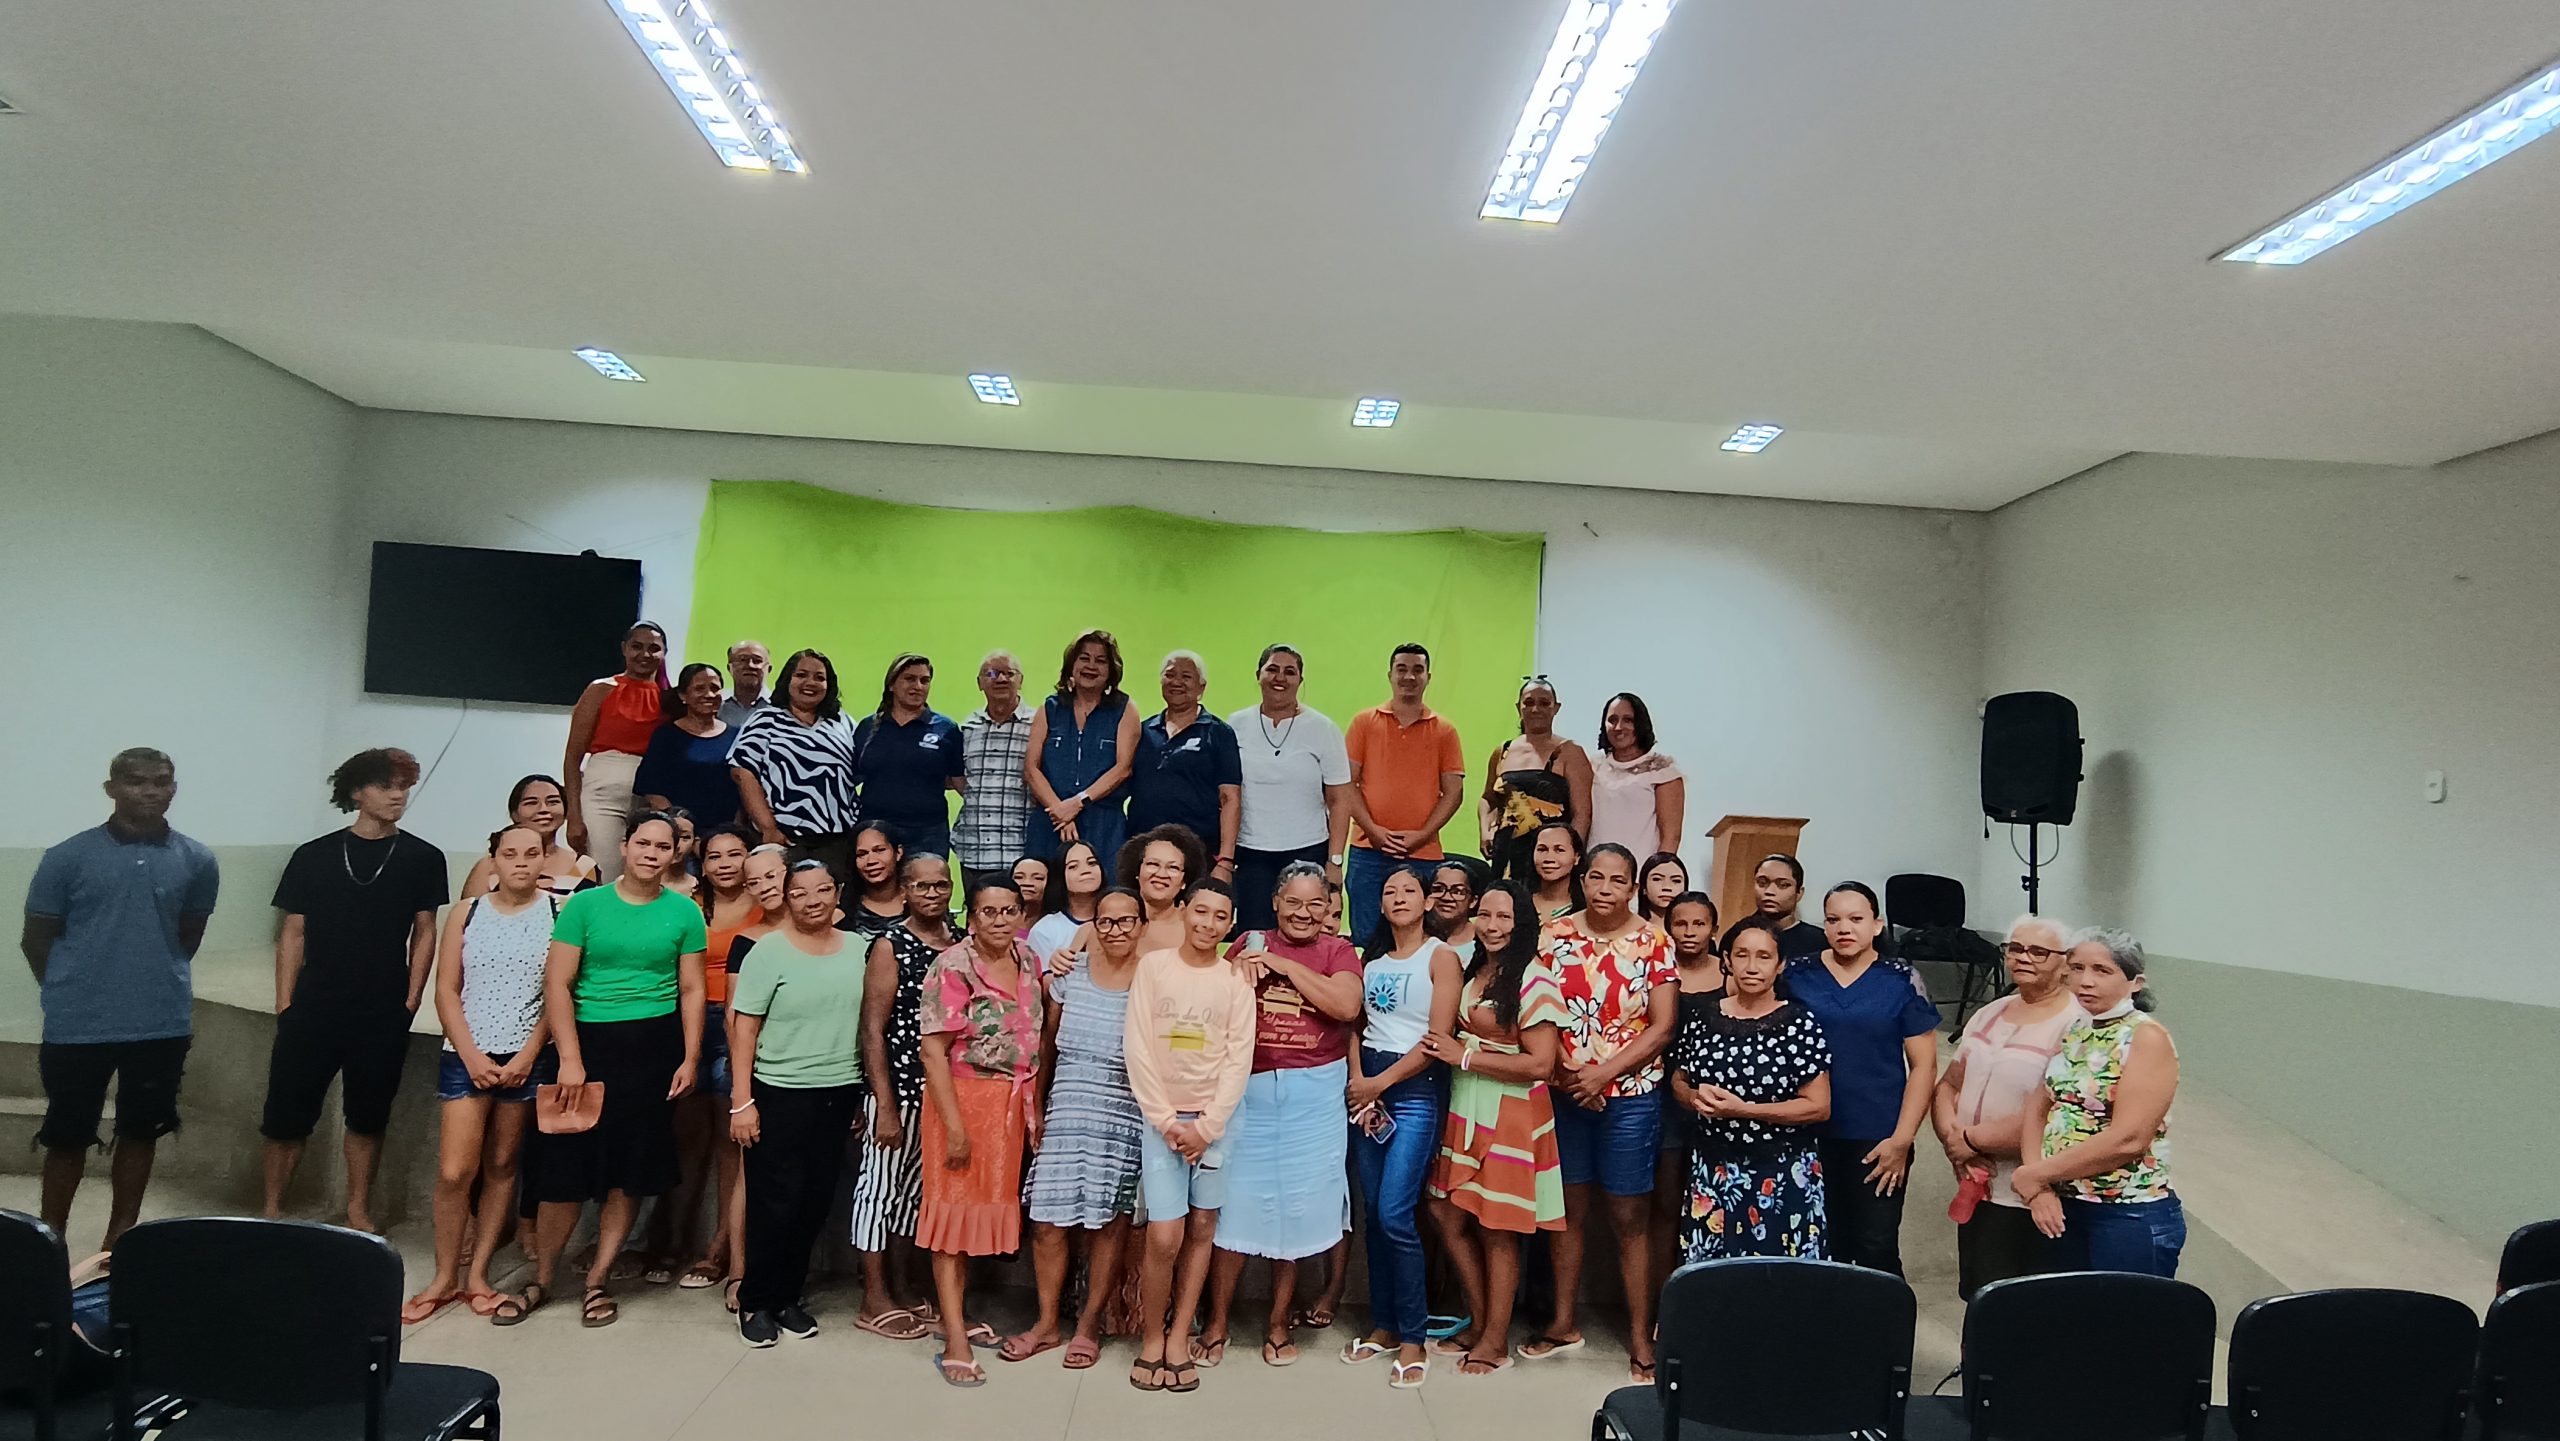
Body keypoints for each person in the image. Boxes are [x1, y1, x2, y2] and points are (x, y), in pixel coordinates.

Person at [22, 748, 217, 1249]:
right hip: (78, 1023)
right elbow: (36, 938)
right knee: (66, 1134)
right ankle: (51, 1238)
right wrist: (71, 988)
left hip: (159, 1022)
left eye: (162, 781)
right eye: (137, 782)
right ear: (111, 789)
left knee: (142, 1129)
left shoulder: (197, 860)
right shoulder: (67, 857)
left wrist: (149, 974)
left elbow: (187, 936)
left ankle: (119, 1240)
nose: (151, 791)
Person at [519, 811, 708, 1329]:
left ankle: (598, 1279)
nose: (651, 853)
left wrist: (690, 1058)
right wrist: (572, 1059)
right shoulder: (585, 905)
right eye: (642, 842)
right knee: (563, 1171)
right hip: (586, 1045)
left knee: (628, 1173)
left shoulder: (686, 913)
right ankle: (540, 1278)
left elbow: (692, 990)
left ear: (675, 855)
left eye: (662, 846)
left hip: (652, 1049)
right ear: (624, 847)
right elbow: (557, 983)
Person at [260, 748, 447, 1233]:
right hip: (315, 1002)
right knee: (287, 1112)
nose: (398, 796)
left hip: (382, 1004)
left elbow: (425, 930)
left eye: (404, 786)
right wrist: (285, 1001)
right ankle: (272, 1208)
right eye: (386, 786)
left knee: (368, 1114)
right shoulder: (314, 855)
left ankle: (357, 1207)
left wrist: (410, 998)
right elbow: (293, 931)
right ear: (357, 792)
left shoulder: (423, 857)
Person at [1200, 862, 1362, 1367]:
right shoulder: (1246, 940)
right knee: (1235, 1207)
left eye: (1316, 903)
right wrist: (1241, 975)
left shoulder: (1339, 950)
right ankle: (1218, 1322)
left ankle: (1276, 1323)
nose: (1304, 913)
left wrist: (1285, 966)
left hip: (1314, 1094)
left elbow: (1345, 1006)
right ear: (1275, 902)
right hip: (1246, 1089)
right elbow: (1214, 1006)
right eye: (1294, 902)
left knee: (1296, 1213)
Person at [1531, 843, 1675, 1377]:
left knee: (1628, 1217)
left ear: (1633, 888)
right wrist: (1571, 1075)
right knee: (1567, 1213)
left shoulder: (1653, 941)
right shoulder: (1555, 935)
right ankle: (1562, 1324)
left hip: (1631, 1097)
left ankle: (1641, 1338)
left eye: (1618, 880)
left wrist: (1602, 1074)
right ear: (1582, 881)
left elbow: (1662, 1025)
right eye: (1596, 877)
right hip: (1566, 1092)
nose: (1605, 889)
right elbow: (1538, 1009)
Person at [406, 825, 554, 1323]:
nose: (520, 863)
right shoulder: (466, 913)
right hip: (466, 1056)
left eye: (531, 854)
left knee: (503, 1166)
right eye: (510, 854)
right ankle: (445, 1275)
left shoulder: (559, 913)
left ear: (542, 860)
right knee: (454, 1171)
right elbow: (446, 989)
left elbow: (560, 994)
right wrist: (470, 1056)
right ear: (493, 860)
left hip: (524, 1060)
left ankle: (478, 1274)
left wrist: (528, 1056)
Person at [1420, 879, 1567, 1376]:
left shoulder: (1535, 978)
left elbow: (1541, 1064)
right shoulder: (1473, 969)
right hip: (1468, 1105)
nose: (1493, 925)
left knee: (1498, 1229)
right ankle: (1482, 1320)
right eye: (1486, 915)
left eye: (1504, 917)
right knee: (1446, 1212)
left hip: (1512, 1111)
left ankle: (1495, 1340)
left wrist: (1465, 1054)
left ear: (1522, 922)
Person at [1123, 880, 1258, 1393]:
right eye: (1199, 911)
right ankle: (1151, 1337)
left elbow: (1237, 1058)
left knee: (1203, 1227)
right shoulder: (1154, 969)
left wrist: (1207, 1127)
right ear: (1184, 912)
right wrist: (1165, 1120)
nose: (1207, 923)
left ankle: (1180, 1337)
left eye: (1219, 916)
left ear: (1230, 924)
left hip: (1216, 1125)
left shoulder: (1235, 982)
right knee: (1164, 1235)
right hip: (1163, 1121)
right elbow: (1137, 1046)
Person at [728, 860, 869, 1346]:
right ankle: (755, 1301)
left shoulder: (859, 949)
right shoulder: (767, 952)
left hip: (838, 1092)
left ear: (839, 893)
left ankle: (788, 1296)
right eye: (801, 892)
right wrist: (741, 1102)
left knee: (813, 1202)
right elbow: (743, 1026)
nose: (813, 900)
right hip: (777, 1091)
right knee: (774, 1203)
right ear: (786, 898)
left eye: (823, 889)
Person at [1008, 886, 1147, 1370]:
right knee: (1047, 1221)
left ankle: (1088, 1327)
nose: (1115, 931)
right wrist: (1038, 1104)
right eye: (1105, 921)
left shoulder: (1152, 981)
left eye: (1126, 921)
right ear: (1093, 926)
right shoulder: (1070, 975)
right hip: (1067, 1104)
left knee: (1108, 1224)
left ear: (1142, 927)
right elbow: (1048, 1041)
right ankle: (1047, 1323)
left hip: (1122, 1113)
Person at [916, 878, 1048, 1386]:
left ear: (1020, 913)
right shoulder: (953, 965)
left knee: (978, 1216)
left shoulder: (1029, 960)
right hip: (963, 1102)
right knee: (949, 1222)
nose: (998, 919)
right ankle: (953, 1338)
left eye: (1008, 909)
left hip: (1011, 1108)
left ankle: (962, 1317)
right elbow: (934, 1051)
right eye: (988, 911)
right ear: (970, 916)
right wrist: (953, 1126)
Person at [1341, 868, 1462, 1388]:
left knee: (1396, 1211)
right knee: (1372, 1212)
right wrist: (1358, 1080)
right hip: (1369, 1086)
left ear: (1426, 900)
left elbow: (1437, 1039)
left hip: (1412, 1089)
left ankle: (1414, 1336)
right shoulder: (1372, 961)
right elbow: (1355, 1025)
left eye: (1408, 890)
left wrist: (1381, 1083)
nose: (1397, 898)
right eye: (1389, 892)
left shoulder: (1441, 956)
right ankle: (1385, 1325)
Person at [1782, 881, 1940, 1276]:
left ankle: (1882, 1336)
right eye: (1833, 920)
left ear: (1876, 925)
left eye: (1856, 918)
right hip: (1806, 1131)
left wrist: (1902, 1140)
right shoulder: (1798, 974)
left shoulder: (1900, 978)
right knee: (1816, 1243)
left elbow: (1924, 1066)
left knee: (1875, 1246)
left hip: (1878, 1137)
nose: (1843, 928)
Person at [2013, 928, 2184, 1277]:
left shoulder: (2145, 1037)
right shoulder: (2078, 1028)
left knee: (2122, 1324)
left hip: (2124, 1212)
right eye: (2076, 968)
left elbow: (2129, 1138)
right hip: (2064, 1204)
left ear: (2135, 982)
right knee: (2068, 1320)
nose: (2085, 981)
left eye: (2101, 971)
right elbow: (2038, 1106)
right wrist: (2039, 1189)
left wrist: (2035, 1175)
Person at [1932, 914, 2084, 1299]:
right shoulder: (1990, 1012)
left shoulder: (2077, 1025)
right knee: (1980, 1289)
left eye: (2039, 951)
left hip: (2032, 1190)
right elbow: (1949, 1085)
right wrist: (1954, 1142)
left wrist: (1971, 1139)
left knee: (2023, 1299)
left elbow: (2059, 1115)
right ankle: (1976, 1362)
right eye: (2015, 948)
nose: (2023, 958)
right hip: (1976, 1180)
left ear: (2065, 963)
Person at [1667, 915, 1832, 1261]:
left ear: (1780, 964)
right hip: (1714, 1170)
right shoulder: (1703, 1017)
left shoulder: (1799, 1023)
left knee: (1778, 1278)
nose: (1752, 966)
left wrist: (1743, 1110)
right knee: (1714, 1278)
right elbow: (1679, 1080)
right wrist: (1694, 1097)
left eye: (1764, 956)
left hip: (1782, 1170)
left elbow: (1818, 1106)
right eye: (1742, 955)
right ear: (1727, 961)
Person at [645, 823, 762, 1300]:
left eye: (736, 855)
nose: (726, 864)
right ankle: (669, 1241)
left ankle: (719, 1249)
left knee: (728, 1144)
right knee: (686, 1139)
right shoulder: (689, 907)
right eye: (715, 856)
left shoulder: (765, 905)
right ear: (702, 862)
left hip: (742, 1025)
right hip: (691, 1023)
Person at [848, 853, 956, 1340]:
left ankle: (905, 1286)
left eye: (940, 885)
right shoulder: (891, 944)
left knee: (915, 1197)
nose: (932, 894)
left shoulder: (960, 942)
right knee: (878, 1192)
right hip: (899, 1092)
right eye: (922, 886)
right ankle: (873, 1297)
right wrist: (883, 1104)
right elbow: (872, 1027)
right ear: (905, 890)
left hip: (944, 1095)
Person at [1343, 643, 1466, 945]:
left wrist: (1422, 835)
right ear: (1390, 674)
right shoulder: (1363, 722)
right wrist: (1373, 831)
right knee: (1367, 940)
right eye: (1402, 669)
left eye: (1417, 670)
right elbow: (1346, 784)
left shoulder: (1444, 730)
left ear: (1428, 677)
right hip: (1367, 850)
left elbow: (1453, 792)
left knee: (1423, 941)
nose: (1409, 677)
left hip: (1423, 854)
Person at [1227, 643, 1353, 935]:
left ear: (1300, 680)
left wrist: (1335, 861)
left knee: (1304, 933)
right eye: (1272, 669)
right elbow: (1225, 794)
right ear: (1258, 675)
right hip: (1251, 852)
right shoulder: (1234, 725)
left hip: (1308, 849)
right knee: (1254, 936)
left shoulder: (1323, 729)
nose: (1280, 678)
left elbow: (1339, 800)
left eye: (1289, 672)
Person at [1646, 890, 1724, 1300]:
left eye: (1699, 923)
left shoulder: (1732, 974)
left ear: (1714, 927)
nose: (1690, 932)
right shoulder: (1656, 969)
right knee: (1667, 1204)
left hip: (1721, 1105)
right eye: (1680, 923)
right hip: (1663, 1097)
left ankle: (1706, 1298)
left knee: (1713, 1205)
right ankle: (1664, 1301)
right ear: (1667, 927)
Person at [729, 648, 862, 879]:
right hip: (786, 838)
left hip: (839, 840)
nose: (810, 682)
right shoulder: (765, 719)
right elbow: (742, 773)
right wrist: (769, 828)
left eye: (820, 677)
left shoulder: (842, 722)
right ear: (787, 679)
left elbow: (858, 771)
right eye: (801, 675)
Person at [563, 622, 672, 881]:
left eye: (654, 648)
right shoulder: (601, 689)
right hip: (602, 796)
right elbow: (572, 757)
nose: (645, 654)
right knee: (602, 874)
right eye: (637, 646)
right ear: (624, 649)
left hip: (649, 798)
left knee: (645, 878)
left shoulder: (669, 698)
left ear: (664, 653)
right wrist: (574, 816)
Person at [1023, 629, 1141, 865]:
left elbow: (1123, 768)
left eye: (1100, 661)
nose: (1091, 666)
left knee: (1104, 895)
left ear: (1111, 671)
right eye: (1084, 658)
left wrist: (1077, 803)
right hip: (1051, 820)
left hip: (1103, 824)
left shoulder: (1125, 709)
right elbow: (1031, 769)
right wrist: (1061, 812)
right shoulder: (1050, 708)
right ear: (1072, 665)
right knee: (1045, 894)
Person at [1125, 651, 1243, 882]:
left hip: (1198, 854)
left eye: (1186, 676)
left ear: (1201, 687)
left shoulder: (1219, 733)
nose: (1176, 682)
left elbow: (1230, 798)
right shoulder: (1142, 731)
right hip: (1143, 854)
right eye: (1170, 675)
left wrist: (1226, 861)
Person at [853, 653, 968, 864]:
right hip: (876, 833)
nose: (918, 686)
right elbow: (852, 778)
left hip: (927, 833)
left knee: (926, 893)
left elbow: (958, 782)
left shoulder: (946, 729)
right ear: (891, 685)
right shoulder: (867, 728)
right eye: (909, 679)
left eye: (924, 680)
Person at [1479, 676, 1592, 885]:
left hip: (1550, 861)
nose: (1535, 709)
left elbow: (1582, 813)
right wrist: (1485, 831)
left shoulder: (1570, 753)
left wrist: (1569, 857)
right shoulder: (1503, 751)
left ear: (1556, 708)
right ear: (1518, 707)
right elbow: (1488, 798)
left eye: (1544, 703)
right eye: (1529, 702)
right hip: (1507, 858)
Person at [954, 649, 1037, 897]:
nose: (1000, 679)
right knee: (977, 921)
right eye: (991, 673)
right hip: (973, 848)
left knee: (1020, 923)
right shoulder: (966, 728)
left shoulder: (1039, 725)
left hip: (1021, 850)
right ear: (979, 683)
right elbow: (956, 777)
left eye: (1008, 673)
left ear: (1020, 680)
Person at [635, 662, 742, 828]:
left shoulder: (737, 736)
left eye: (715, 688)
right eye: (699, 689)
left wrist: (733, 830)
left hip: (726, 835)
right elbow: (652, 790)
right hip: (678, 832)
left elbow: (744, 789)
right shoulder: (666, 736)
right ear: (683, 695)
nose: (709, 694)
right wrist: (680, 828)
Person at [460, 775, 599, 898]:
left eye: (553, 802)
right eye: (531, 803)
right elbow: (468, 918)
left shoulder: (584, 866)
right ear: (515, 814)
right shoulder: (490, 866)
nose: (544, 809)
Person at [1589, 694, 1684, 860]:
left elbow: (1671, 837)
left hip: (1640, 872)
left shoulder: (1662, 770)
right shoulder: (1593, 767)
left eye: (1628, 720)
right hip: (1596, 873)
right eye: (1612, 720)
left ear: (1640, 723)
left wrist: (1656, 875)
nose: (1618, 727)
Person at [1027, 840, 1103, 964]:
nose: (1086, 870)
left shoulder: (1117, 919)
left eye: (1092, 863)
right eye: (1073, 866)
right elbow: (1039, 981)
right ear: (1060, 876)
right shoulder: (1044, 930)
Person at [833, 821, 910, 942]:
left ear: (898, 852)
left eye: (879, 850)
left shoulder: (919, 901)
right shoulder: (842, 911)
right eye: (862, 854)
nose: (871, 861)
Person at [1752, 854, 1825, 961]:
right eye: (1762, 883)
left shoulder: (1819, 941)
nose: (1769, 891)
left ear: (1799, 893)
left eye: (1783, 885)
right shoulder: (1737, 935)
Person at [1426, 857, 1486, 964]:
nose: (1447, 897)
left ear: (1473, 901)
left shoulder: (1486, 940)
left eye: (1457, 891)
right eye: (1439, 889)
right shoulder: (1416, 939)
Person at [1526, 822, 1584, 922]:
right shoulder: (1516, 903)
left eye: (1559, 850)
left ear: (1576, 857)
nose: (1549, 858)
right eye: (1542, 849)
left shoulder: (1585, 910)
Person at [718, 639, 773, 731]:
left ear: (769, 669)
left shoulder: (780, 706)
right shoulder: (716, 704)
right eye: (742, 660)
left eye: (757, 660)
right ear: (729, 668)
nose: (750, 665)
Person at [1637, 852, 1688, 923]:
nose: (1667, 887)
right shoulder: (1630, 929)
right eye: (1657, 879)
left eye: (1676, 880)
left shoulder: (1693, 931)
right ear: (1643, 887)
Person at [1011, 855, 1050, 937]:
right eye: (1019, 877)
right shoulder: (998, 922)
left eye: (1038, 878)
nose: (1027, 883)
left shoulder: (1057, 925)